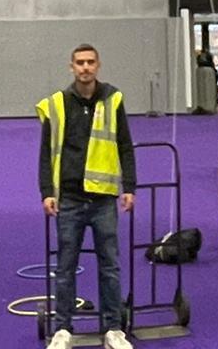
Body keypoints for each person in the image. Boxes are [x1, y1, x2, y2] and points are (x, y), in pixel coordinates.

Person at [37, 44, 137, 349]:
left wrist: (129, 187)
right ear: (71, 67)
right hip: (68, 198)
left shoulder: (113, 99)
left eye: (90, 62)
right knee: (65, 266)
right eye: (80, 62)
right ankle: (63, 329)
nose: (85, 67)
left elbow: (125, 145)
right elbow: (45, 152)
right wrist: (46, 192)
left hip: (104, 198)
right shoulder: (56, 104)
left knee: (110, 266)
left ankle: (113, 330)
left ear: (98, 65)